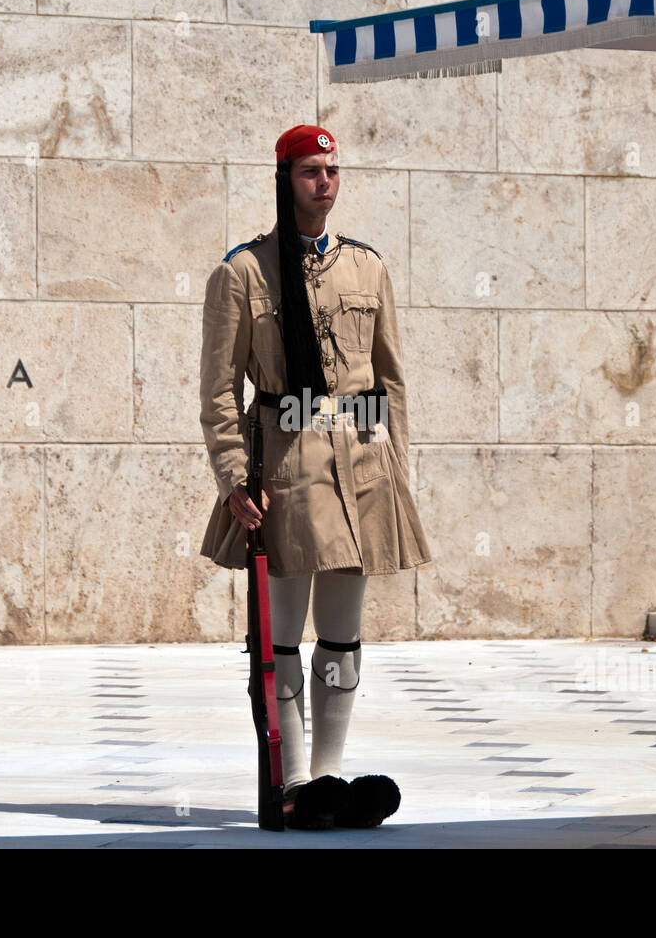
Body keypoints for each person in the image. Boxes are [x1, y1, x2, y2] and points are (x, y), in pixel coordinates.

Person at [198, 124, 432, 829]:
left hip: (361, 467)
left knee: (343, 634)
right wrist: (235, 475)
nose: (324, 182)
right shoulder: (244, 273)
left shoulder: (367, 268)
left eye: (332, 170)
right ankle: (291, 781)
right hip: (288, 468)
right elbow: (218, 392)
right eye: (309, 171)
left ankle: (330, 775)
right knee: (280, 639)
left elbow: (389, 379)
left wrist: (393, 468)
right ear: (283, 178)